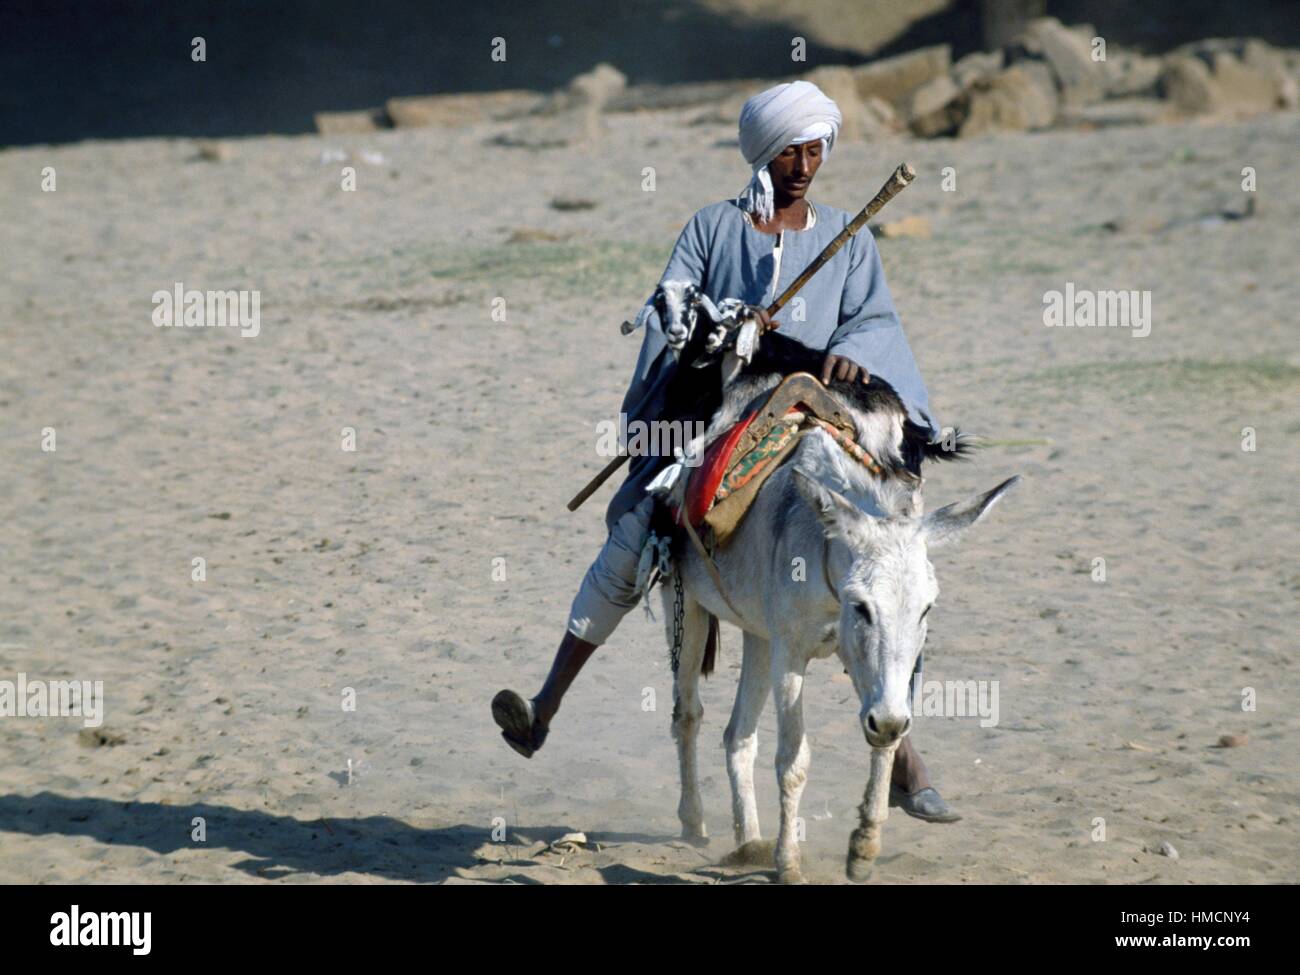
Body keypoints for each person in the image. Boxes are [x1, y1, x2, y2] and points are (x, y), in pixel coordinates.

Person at [493, 80, 960, 823]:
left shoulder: (849, 235)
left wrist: (845, 357)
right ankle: (545, 705)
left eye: (814, 149)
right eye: (789, 150)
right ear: (764, 152)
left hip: (822, 416)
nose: (804, 163)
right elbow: (671, 307)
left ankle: (905, 761)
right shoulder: (712, 228)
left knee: (884, 564)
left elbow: (873, 324)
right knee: (636, 536)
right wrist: (724, 327)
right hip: (725, 415)